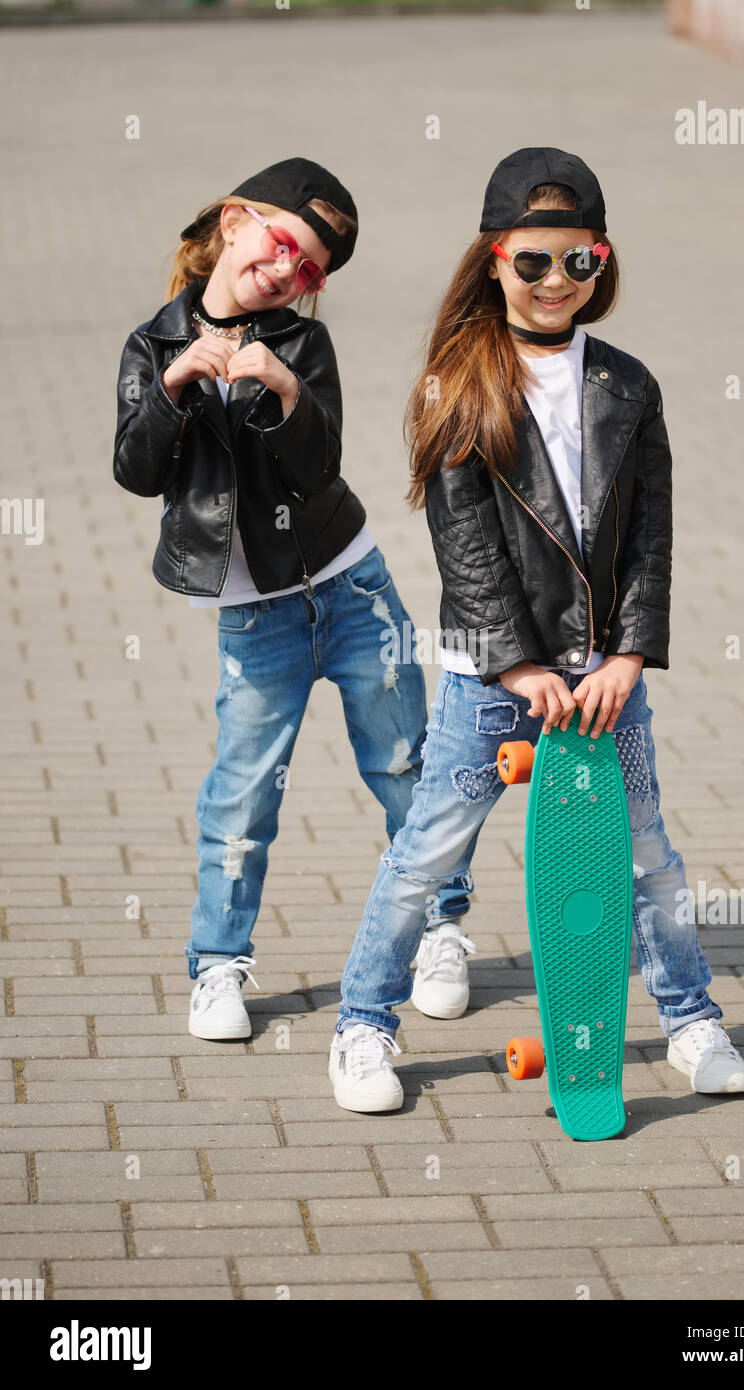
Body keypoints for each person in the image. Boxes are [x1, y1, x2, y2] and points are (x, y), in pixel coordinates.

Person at [329, 147, 744, 1113]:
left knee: (649, 859)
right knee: (426, 856)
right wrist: (518, 667)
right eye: (533, 262)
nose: (556, 281)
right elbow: (464, 546)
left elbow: (650, 534)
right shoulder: (458, 383)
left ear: (600, 264)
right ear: (493, 259)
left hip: (607, 683)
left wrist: (631, 655)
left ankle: (691, 1023)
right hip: (490, 684)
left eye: (579, 261)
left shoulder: (628, 385)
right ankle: (362, 1027)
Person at [113, 157, 472, 1041]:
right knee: (241, 794)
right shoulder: (152, 344)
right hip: (254, 619)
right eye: (282, 244)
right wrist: (173, 388)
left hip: (354, 589)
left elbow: (319, 465)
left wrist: (278, 390)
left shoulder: (301, 347)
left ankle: (440, 926)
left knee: (404, 766)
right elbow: (135, 469)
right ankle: (220, 966)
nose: (286, 272)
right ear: (234, 222)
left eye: (308, 270)